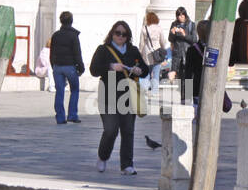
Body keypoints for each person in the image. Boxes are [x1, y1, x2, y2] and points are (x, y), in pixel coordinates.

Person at [89, 20, 148, 175]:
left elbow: (145, 69)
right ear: (112, 34)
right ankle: (103, 156)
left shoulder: (133, 50)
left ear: (128, 36)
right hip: (108, 94)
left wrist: (139, 70)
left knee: (128, 130)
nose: (120, 36)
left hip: (128, 95)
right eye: (117, 33)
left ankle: (127, 165)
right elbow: (93, 70)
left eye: (124, 34)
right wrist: (110, 67)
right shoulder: (103, 50)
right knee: (110, 129)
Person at [49, 10, 85, 124]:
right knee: (74, 90)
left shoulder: (55, 35)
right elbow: (77, 53)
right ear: (71, 21)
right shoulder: (73, 36)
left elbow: (51, 52)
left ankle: (60, 117)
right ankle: (72, 115)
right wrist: (81, 68)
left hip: (57, 66)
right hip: (70, 66)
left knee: (59, 91)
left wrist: (53, 65)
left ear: (61, 21)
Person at [138, 11, 167, 96]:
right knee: (156, 72)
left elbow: (141, 43)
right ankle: (154, 91)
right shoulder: (159, 28)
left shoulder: (144, 29)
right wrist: (163, 50)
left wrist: (140, 52)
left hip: (146, 53)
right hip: (157, 52)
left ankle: (144, 90)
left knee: (146, 72)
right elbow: (162, 41)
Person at [168, 7, 194, 86]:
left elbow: (194, 39)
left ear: (185, 15)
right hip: (177, 54)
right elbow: (170, 39)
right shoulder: (174, 24)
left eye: (182, 16)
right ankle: (182, 97)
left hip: (188, 53)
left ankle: (188, 96)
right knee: (180, 77)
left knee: (188, 77)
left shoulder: (191, 24)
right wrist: (172, 33)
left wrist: (184, 34)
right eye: (178, 16)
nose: (180, 17)